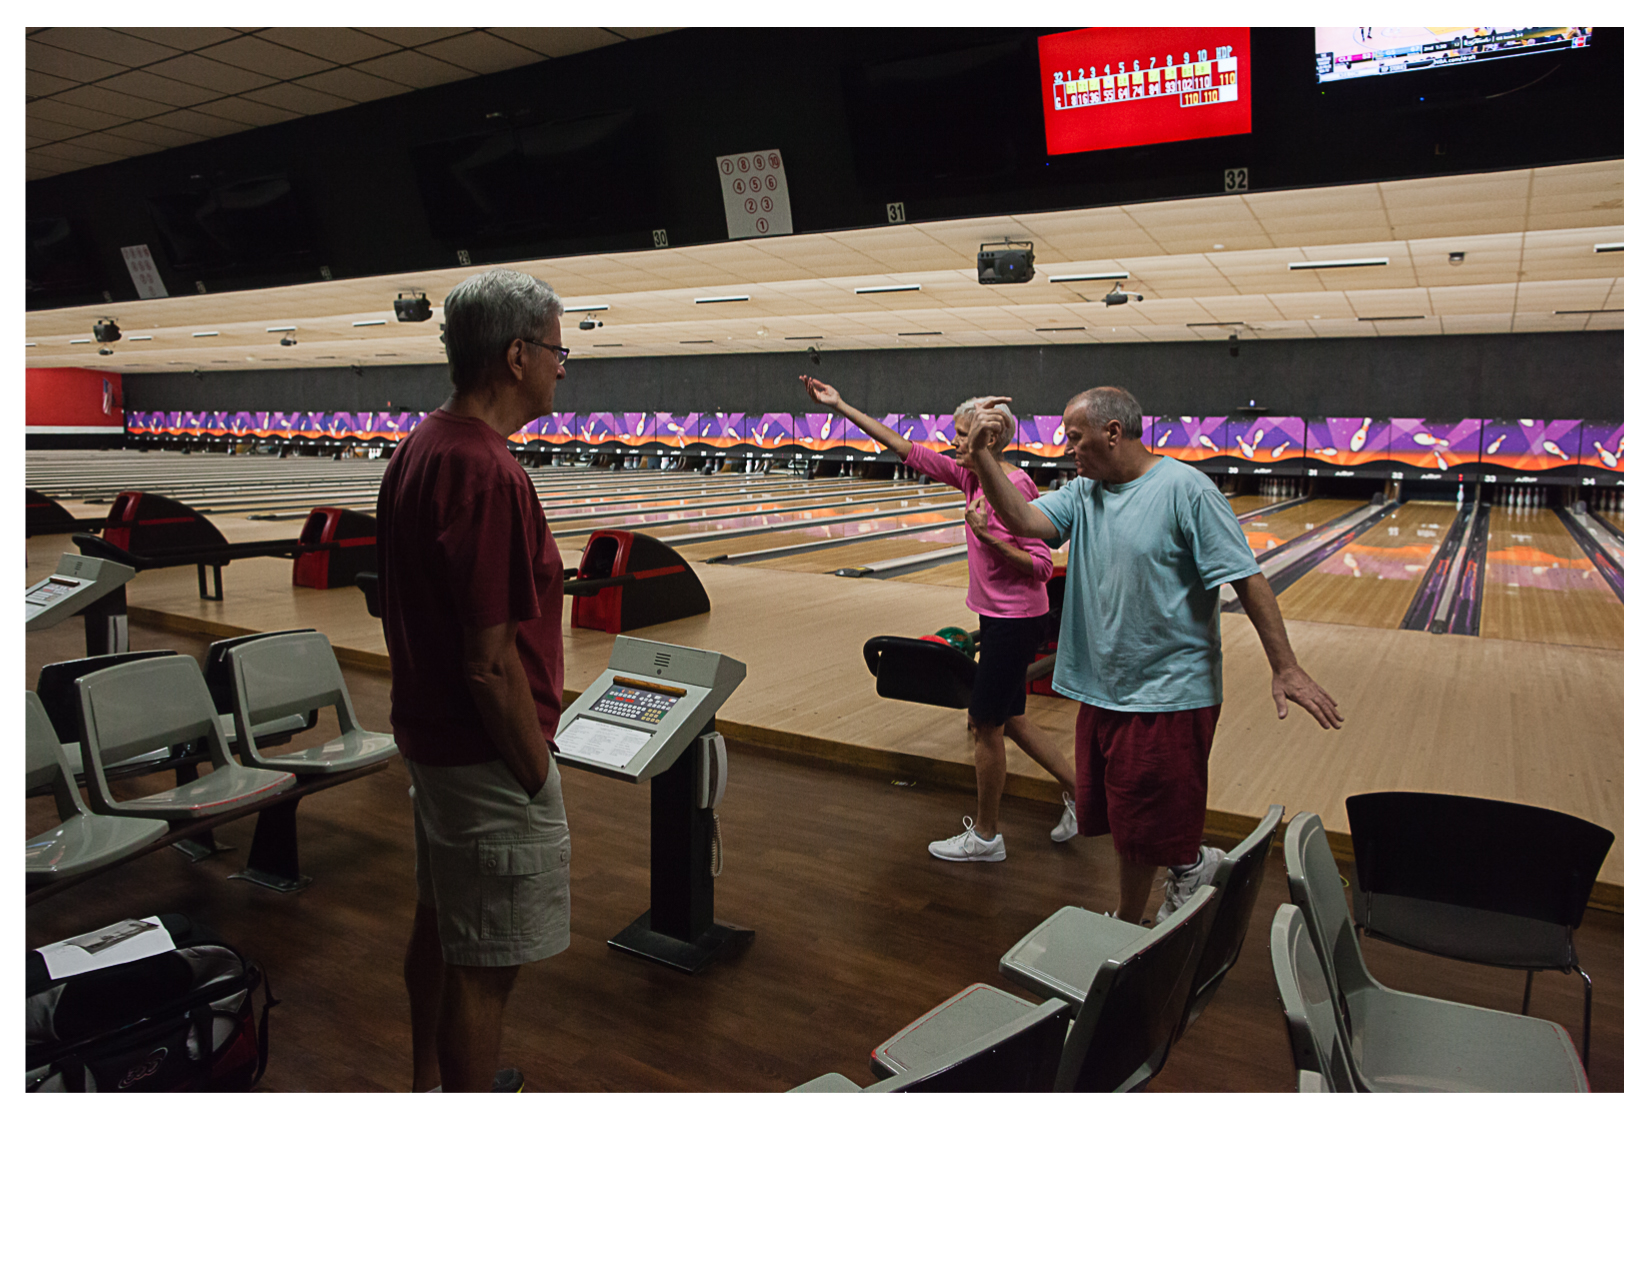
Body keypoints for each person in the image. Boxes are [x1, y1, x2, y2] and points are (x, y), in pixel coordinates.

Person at [957, 386, 1343, 925]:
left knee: (1138, 827)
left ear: (1112, 433)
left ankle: (1126, 924)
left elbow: (1247, 578)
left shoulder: (1187, 489)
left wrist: (1286, 666)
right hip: (1103, 688)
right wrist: (978, 454)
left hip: (1168, 690)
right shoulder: (1084, 492)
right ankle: (1189, 864)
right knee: (1126, 813)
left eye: (1074, 437)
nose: (1067, 448)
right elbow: (1024, 521)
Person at [377, 269, 572, 1092]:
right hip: (485, 757)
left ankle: (431, 1086)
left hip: (432, 741)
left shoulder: (423, 445)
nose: (568, 364)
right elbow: (488, 663)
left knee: (445, 926)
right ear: (517, 353)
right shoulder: (488, 471)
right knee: (486, 964)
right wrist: (534, 768)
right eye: (560, 349)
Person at [801, 375, 1081, 862]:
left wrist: (990, 538)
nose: (950, 443)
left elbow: (1041, 566)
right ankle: (1084, 795)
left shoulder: (1012, 485)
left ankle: (987, 838)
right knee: (1010, 719)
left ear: (986, 439)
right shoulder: (971, 476)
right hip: (998, 619)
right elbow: (905, 449)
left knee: (985, 723)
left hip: (1016, 621)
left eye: (958, 434)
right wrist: (840, 405)